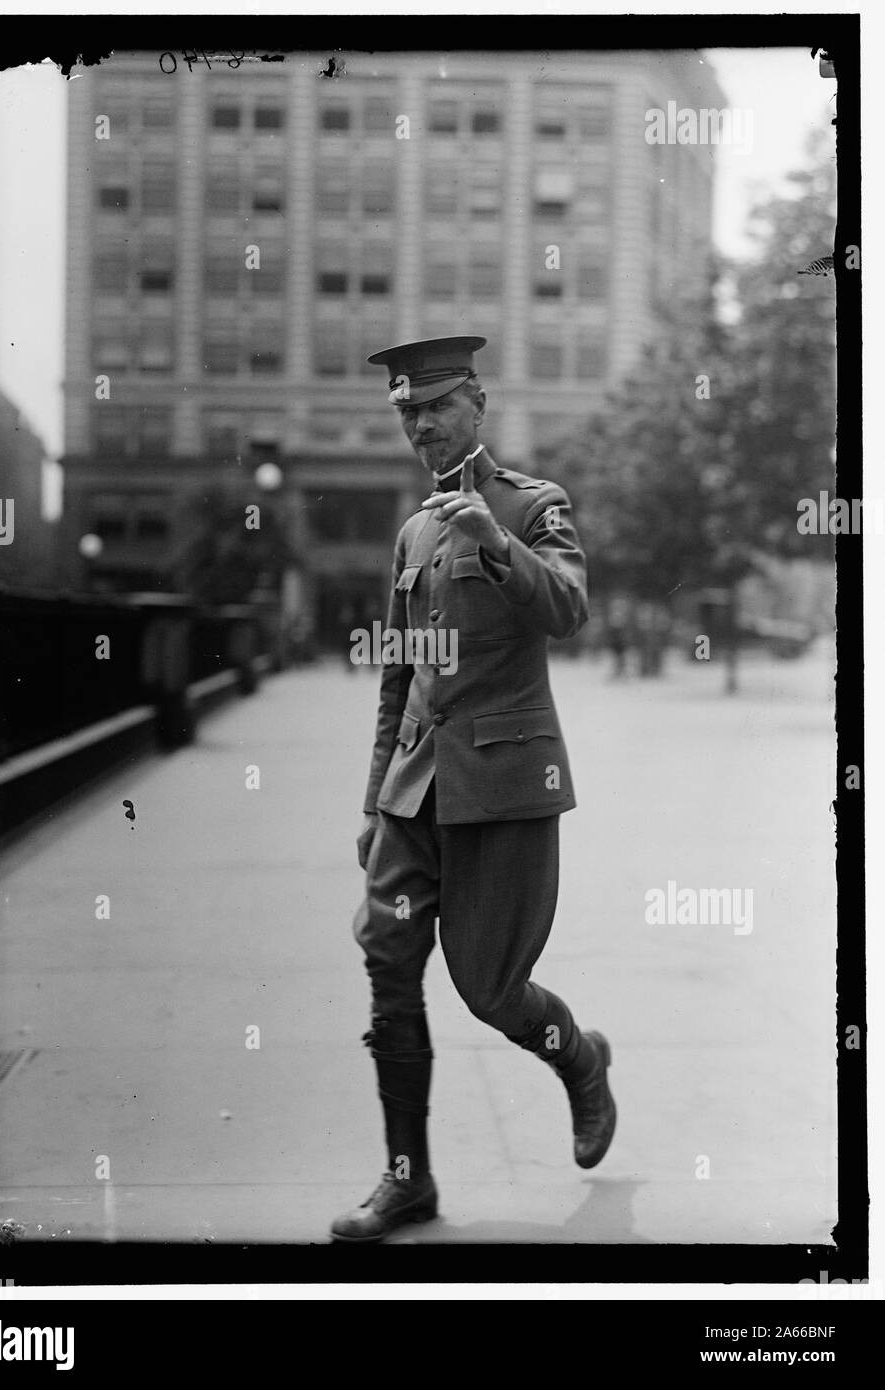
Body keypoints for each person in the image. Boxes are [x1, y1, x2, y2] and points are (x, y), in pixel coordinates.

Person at [330, 336, 616, 1243]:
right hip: (413, 795)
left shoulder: (535, 505)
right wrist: (374, 804)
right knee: (387, 958)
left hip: (503, 786)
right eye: (408, 412)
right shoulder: (412, 532)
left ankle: (581, 1061)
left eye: (437, 407)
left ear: (478, 404)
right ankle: (407, 1179)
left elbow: (568, 608)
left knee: (491, 991)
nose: (422, 426)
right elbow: (398, 678)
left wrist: (497, 544)